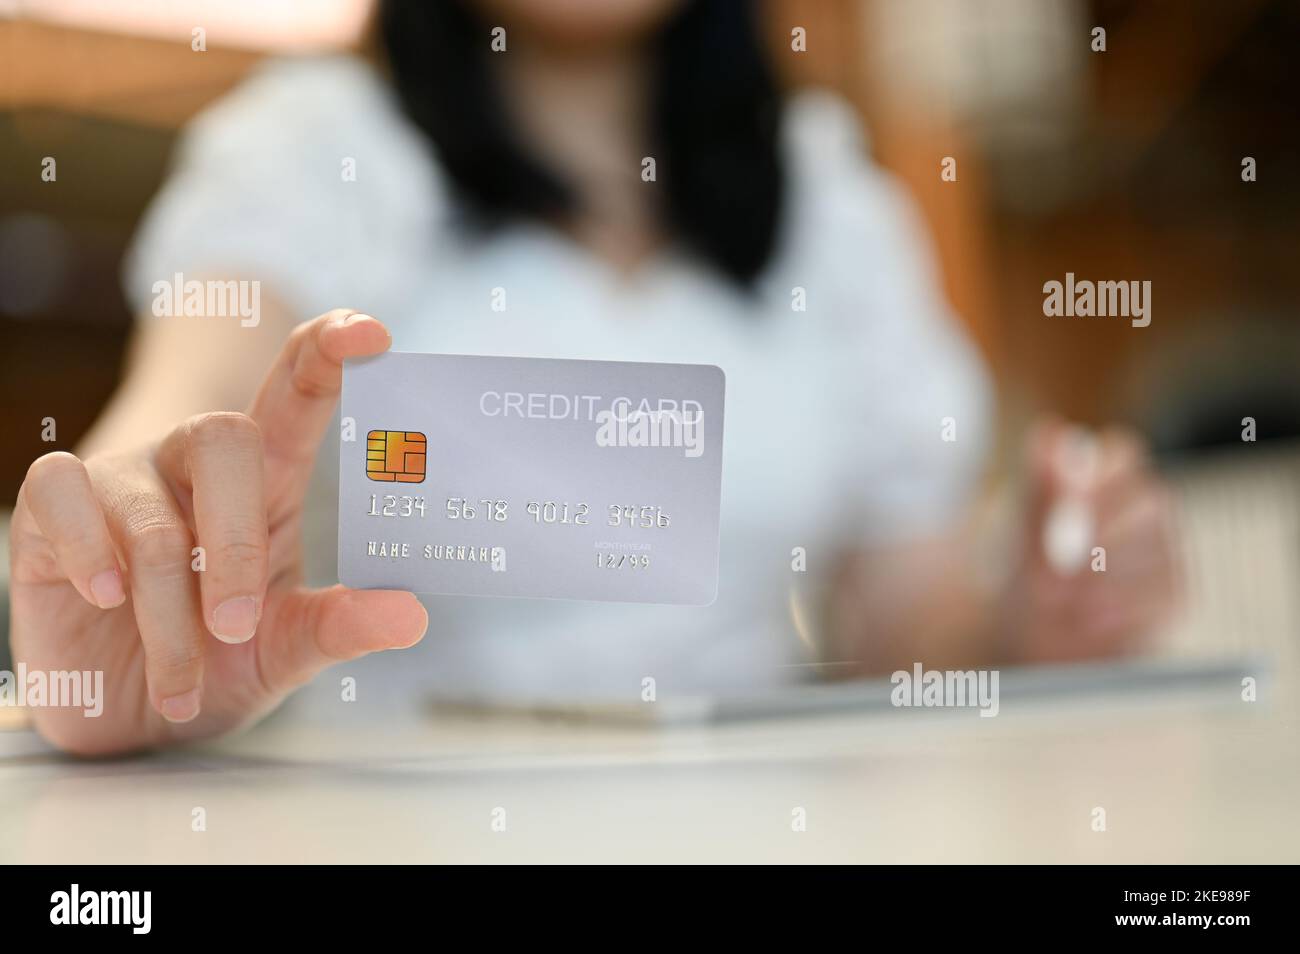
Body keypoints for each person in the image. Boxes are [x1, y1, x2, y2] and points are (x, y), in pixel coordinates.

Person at [8, 0, 1178, 755]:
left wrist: (1031, 623)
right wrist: (123, 543)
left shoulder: (829, 202)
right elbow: (183, 414)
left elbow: (897, 624)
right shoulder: (313, 146)